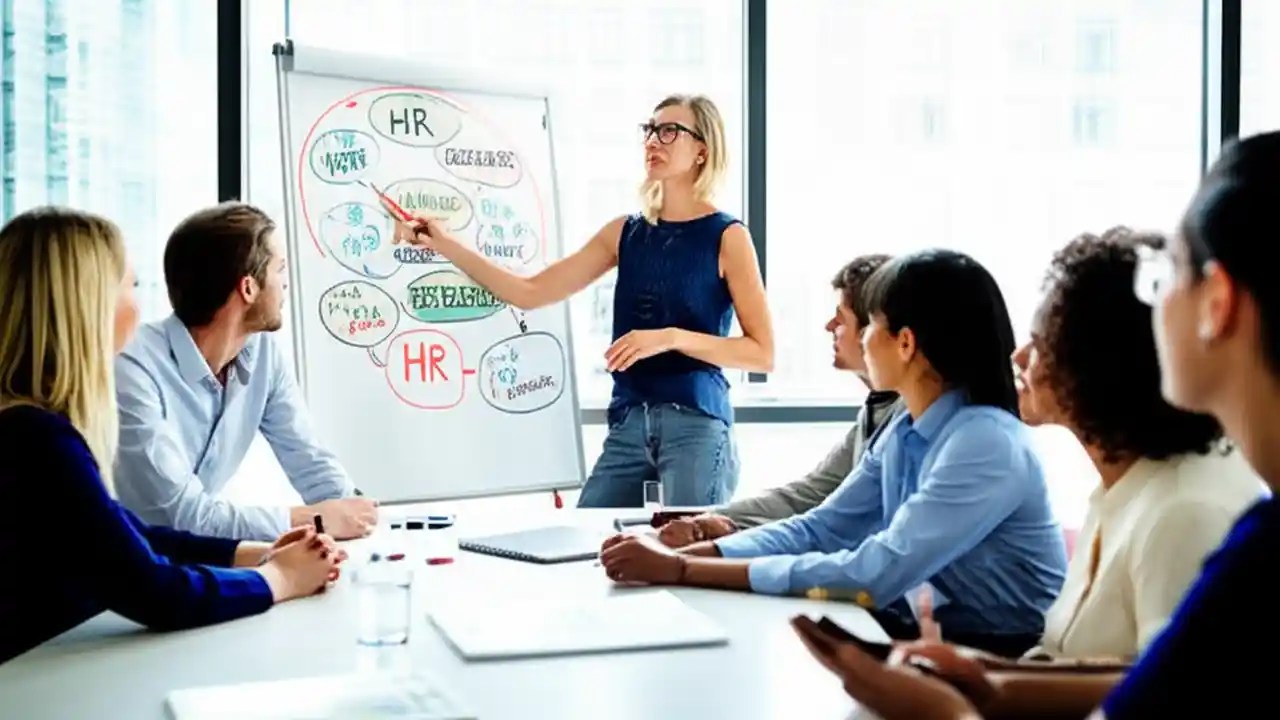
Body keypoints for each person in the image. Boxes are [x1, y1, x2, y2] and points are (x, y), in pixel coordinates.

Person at [788, 130, 1280, 720]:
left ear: (1218, 301)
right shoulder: (1128, 495)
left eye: (1163, 279)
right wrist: (989, 680)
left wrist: (951, 713)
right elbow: (1137, 677)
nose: (1018, 359)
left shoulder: (1198, 517)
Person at [599, 249, 1067, 657]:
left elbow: (877, 572)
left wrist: (685, 568)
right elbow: (822, 525)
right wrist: (702, 552)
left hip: (1006, 655)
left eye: (873, 325)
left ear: (905, 343)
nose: (862, 338)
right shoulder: (907, 425)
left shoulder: (984, 441)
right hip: (934, 633)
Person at [0, 207, 343, 665]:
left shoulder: (31, 424)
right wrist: (279, 579)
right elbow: (151, 589)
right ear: (89, 304)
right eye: (130, 286)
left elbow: (127, 534)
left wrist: (253, 554)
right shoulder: (38, 439)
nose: (139, 306)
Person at [397, 94, 773, 508]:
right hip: (629, 421)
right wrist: (444, 243)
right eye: (649, 130)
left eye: (670, 131)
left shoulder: (727, 236)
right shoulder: (624, 233)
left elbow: (761, 353)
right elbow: (529, 292)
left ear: (703, 149)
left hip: (697, 424)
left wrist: (669, 337)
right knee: (588, 542)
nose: (653, 141)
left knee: (691, 554)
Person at [113, 202, 377, 541]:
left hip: (192, 558)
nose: (286, 283)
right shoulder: (132, 366)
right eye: (280, 269)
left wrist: (357, 515)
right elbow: (179, 515)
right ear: (248, 287)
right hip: (125, 567)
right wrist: (315, 520)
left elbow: (311, 461)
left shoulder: (260, 352)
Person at [656, 253, 904, 546]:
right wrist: (711, 519)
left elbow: (837, 521)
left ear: (872, 331)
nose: (828, 327)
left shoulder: (909, 420)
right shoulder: (876, 408)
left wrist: (716, 545)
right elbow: (811, 493)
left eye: (840, 320)